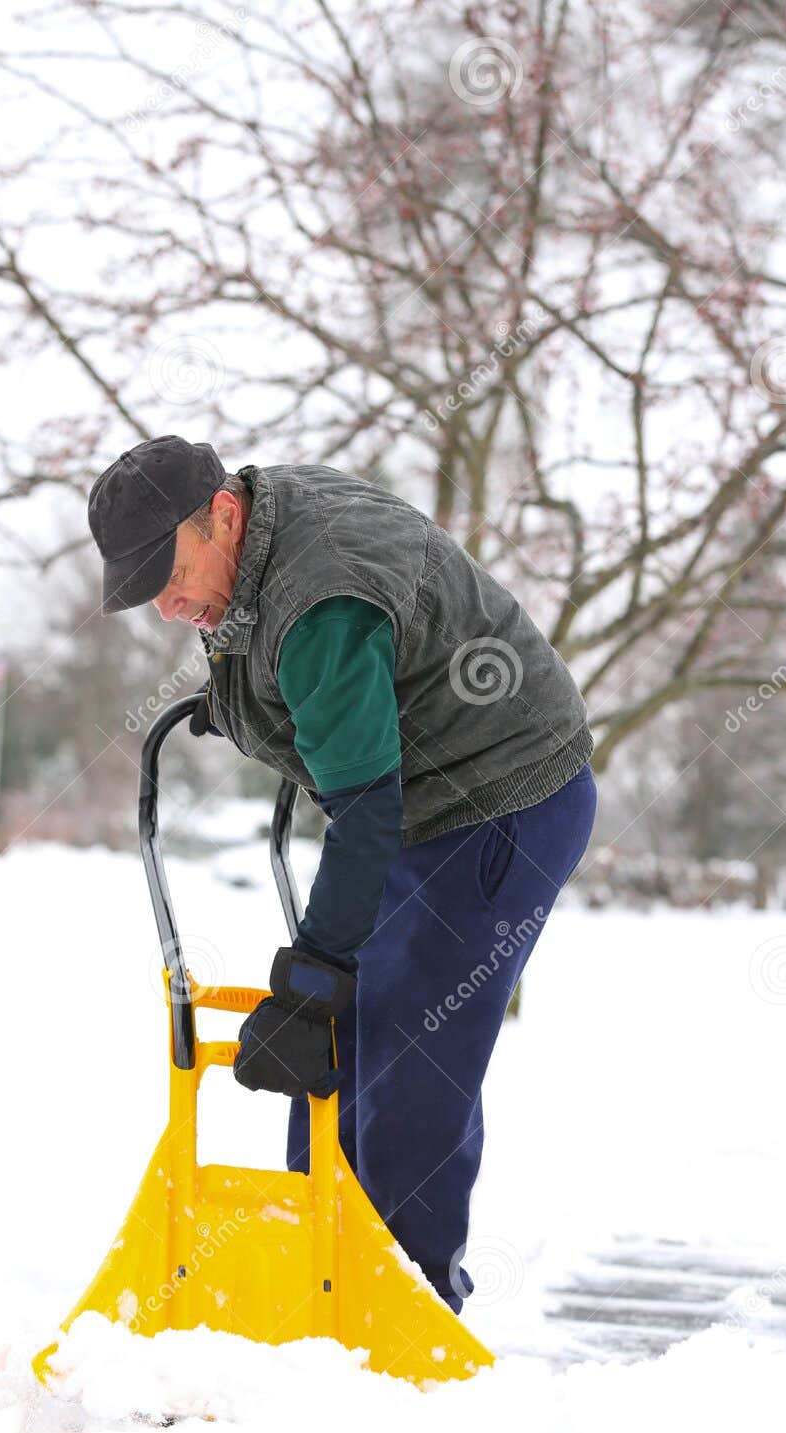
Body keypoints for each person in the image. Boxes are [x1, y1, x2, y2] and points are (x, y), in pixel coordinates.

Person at [88, 435, 596, 1310]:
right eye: (147, 594)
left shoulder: (320, 599)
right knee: (332, 1051)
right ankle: (317, 1283)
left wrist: (315, 969)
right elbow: (296, 652)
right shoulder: (266, 524)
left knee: (406, 1061)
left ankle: (406, 1317)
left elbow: (363, 809)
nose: (166, 607)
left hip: (498, 804)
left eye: (167, 575)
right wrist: (238, 699)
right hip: (422, 805)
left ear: (221, 514)